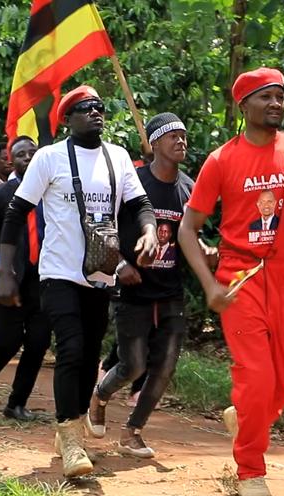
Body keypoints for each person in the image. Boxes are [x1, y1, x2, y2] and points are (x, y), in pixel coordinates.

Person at [178, 67, 284, 496]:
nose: (276, 103)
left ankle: (247, 417)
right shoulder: (222, 160)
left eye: (280, 96)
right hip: (239, 276)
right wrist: (209, 287)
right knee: (256, 376)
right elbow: (188, 228)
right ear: (244, 106)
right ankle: (250, 468)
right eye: (265, 97)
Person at [0, 85, 158, 478]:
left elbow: (139, 204)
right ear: (67, 119)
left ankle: (73, 423)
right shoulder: (49, 158)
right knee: (70, 349)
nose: (96, 113)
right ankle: (70, 437)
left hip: (101, 274)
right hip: (58, 273)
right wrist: (5, 270)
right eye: (85, 108)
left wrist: (149, 231)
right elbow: (17, 213)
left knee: (88, 356)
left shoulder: (116, 157)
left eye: (100, 107)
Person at [88, 112, 195, 458]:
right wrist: (120, 265)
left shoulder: (190, 188)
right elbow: (101, 229)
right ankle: (101, 395)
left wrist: (206, 252)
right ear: (153, 144)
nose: (181, 141)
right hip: (132, 289)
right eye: (171, 136)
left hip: (170, 290)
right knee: (133, 365)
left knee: (164, 365)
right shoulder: (132, 184)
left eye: (183, 135)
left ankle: (133, 431)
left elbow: (191, 236)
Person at [0, 135, 47, 421]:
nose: (27, 158)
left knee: (39, 343)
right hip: (9, 282)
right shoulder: (0, 194)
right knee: (8, 340)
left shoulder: (52, 193)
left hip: (44, 280)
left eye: (33, 153)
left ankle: (16, 403)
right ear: (10, 161)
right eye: (20, 154)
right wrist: (1, 266)